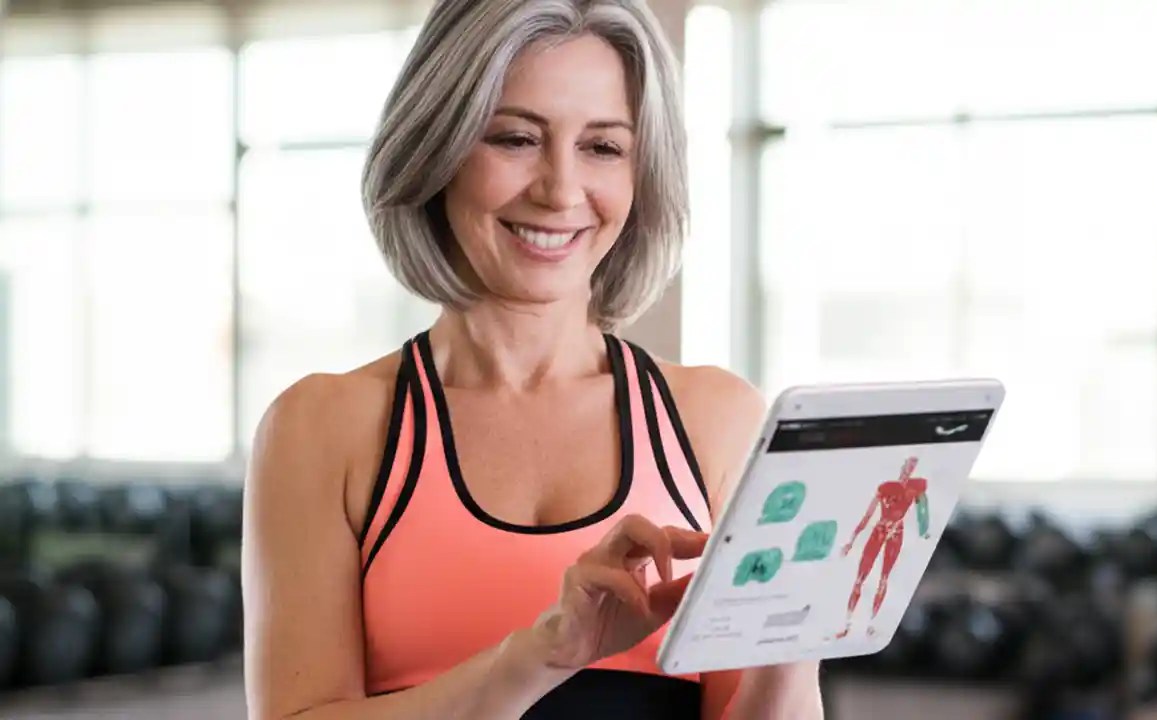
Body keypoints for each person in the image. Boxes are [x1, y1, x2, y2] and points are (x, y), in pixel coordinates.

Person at [241, 1, 825, 718]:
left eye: (603, 147)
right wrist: (535, 659)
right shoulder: (322, 429)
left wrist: (798, 639)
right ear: (438, 146)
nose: (560, 190)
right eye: (516, 139)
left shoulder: (718, 420)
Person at [834, 457, 930, 639]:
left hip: (895, 534)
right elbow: (868, 515)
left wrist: (924, 530)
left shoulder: (915, 488)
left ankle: (869, 623)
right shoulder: (886, 488)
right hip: (879, 531)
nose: (908, 470)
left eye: (912, 467)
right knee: (860, 578)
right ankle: (847, 623)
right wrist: (851, 541)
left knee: (883, 579)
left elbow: (923, 510)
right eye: (907, 466)